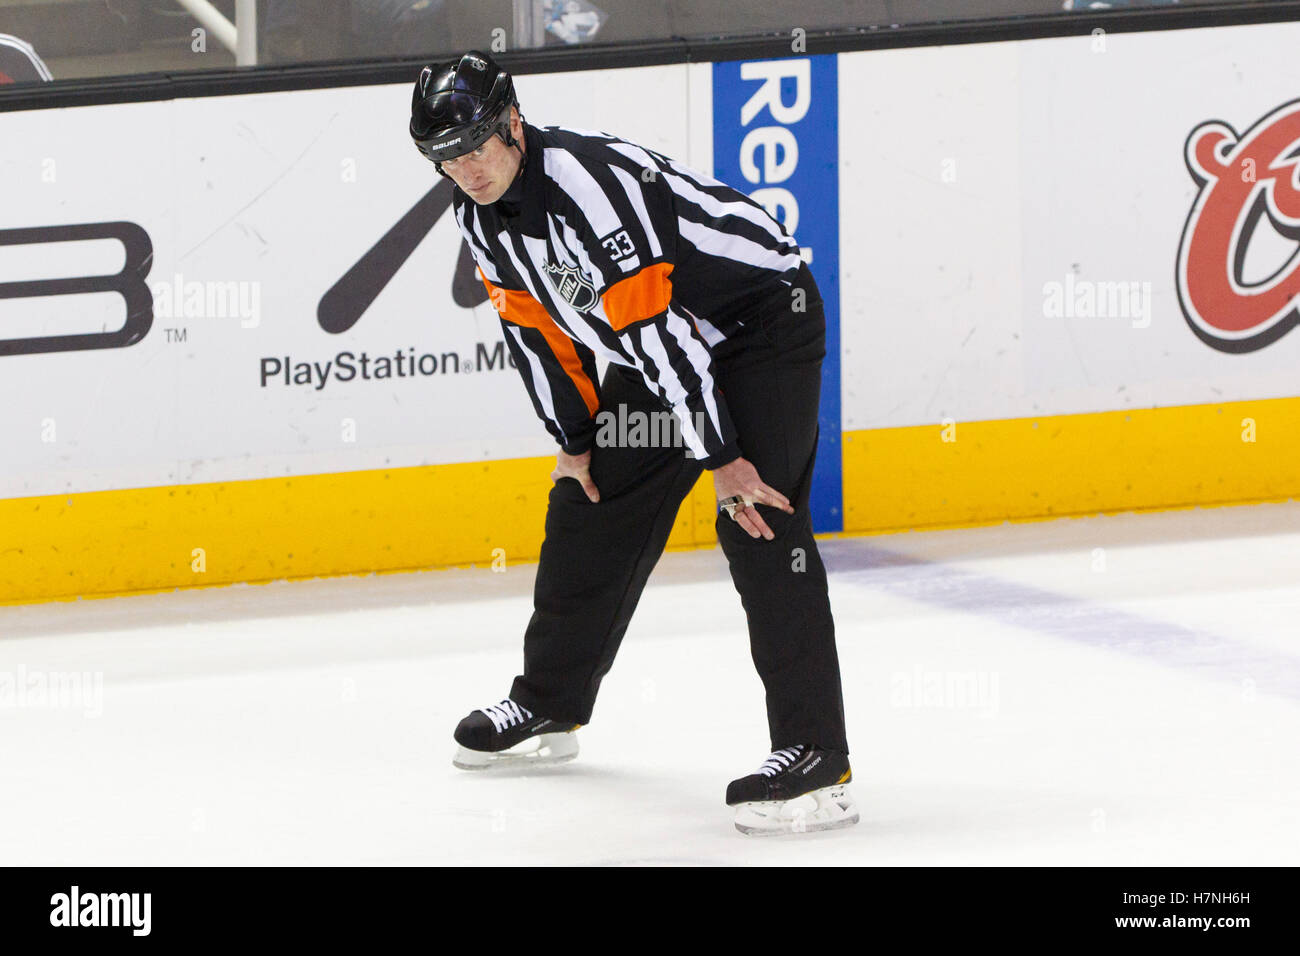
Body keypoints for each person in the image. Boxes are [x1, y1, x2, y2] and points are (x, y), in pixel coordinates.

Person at [409, 50, 854, 834]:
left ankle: (816, 752)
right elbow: (537, 334)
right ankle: (549, 703)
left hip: (759, 326)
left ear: (513, 123)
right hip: (664, 354)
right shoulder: (475, 212)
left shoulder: (590, 189)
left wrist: (724, 459)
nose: (468, 169)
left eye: (477, 145)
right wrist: (577, 440)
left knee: (757, 519)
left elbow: (659, 333)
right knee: (590, 500)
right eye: (448, 156)